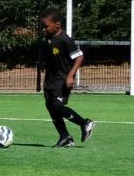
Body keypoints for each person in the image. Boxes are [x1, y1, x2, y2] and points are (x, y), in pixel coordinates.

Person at [39, 10, 94, 147]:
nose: (44, 29)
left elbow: (79, 57)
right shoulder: (49, 39)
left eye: (46, 26)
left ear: (57, 25)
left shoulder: (65, 40)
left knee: (57, 106)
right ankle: (65, 137)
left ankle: (85, 123)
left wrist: (70, 75)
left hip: (62, 79)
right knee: (50, 106)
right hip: (50, 79)